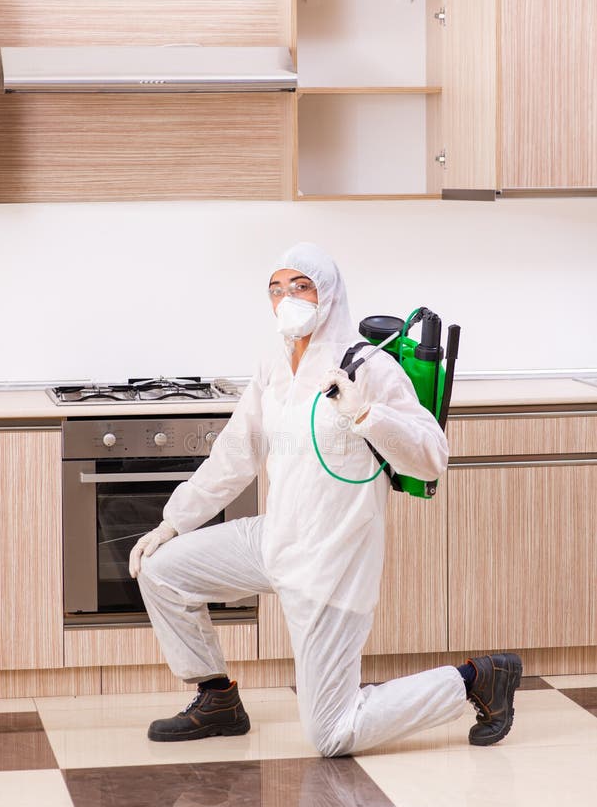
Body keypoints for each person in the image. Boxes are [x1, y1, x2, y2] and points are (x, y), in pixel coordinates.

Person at [129, 242, 521, 757]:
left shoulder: (368, 367)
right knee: (161, 570)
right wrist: (173, 523)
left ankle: (476, 680)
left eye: (301, 287)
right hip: (276, 538)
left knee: (331, 734)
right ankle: (217, 698)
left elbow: (430, 458)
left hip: (331, 560)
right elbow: (236, 454)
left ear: (328, 296)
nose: (287, 298)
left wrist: (366, 416)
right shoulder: (273, 367)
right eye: (276, 288)